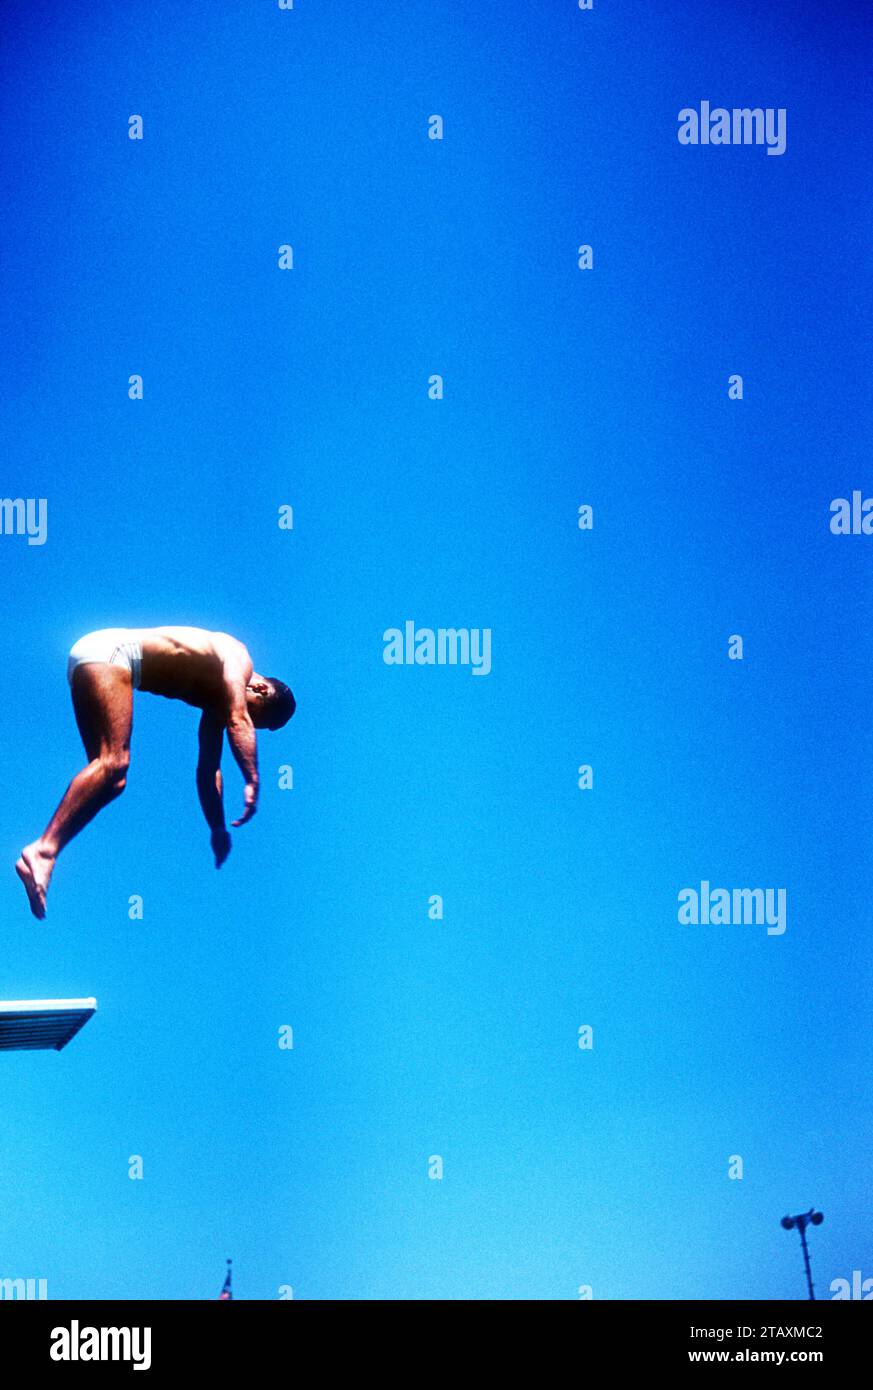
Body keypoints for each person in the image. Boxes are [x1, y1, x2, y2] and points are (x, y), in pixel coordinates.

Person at [16, 626, 295, 919]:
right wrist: (252, 777)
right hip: (113, 653)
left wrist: (217, 827)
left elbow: (207, 770)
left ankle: (44, 852)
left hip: (92, 656)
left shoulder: (217, 705)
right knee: (114, 763)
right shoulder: (238, 659)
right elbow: (239, 720)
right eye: (255, 716)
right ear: (261, 689)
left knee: (111, 779)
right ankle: (42, 852)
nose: (243, 718)